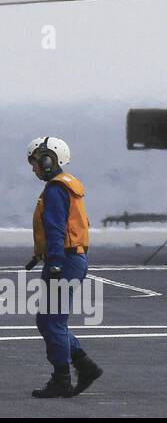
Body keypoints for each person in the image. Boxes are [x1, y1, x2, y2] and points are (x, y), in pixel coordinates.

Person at [27, 136, 103, 398]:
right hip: (71, 259)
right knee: (47, 321)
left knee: (53, 322)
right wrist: (42, 256)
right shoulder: (63, 187)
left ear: (49, 160)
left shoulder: (56, 189)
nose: (34, 167)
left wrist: (56, 262)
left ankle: (62, 379)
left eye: (35, 161)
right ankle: (84, 366)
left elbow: (56, 227)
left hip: (65, 261)